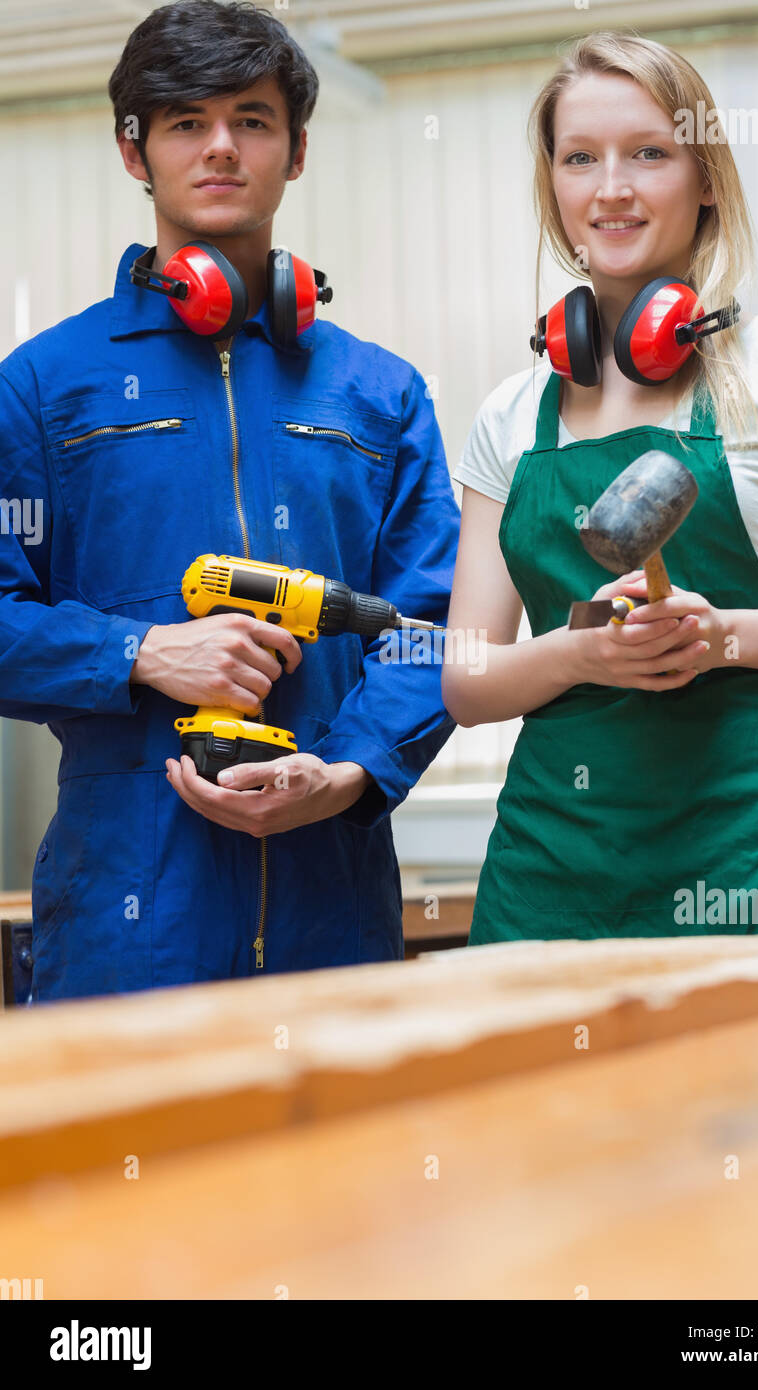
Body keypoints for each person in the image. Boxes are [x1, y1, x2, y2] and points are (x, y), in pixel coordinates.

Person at [0, 0, 459, 1000]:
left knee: (339, 1158)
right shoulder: (43, 384)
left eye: (251, 120)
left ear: (295, 152)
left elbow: (429, 621)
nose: (220, 147)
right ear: (135, 152)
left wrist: (351, 773)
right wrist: (139, 651)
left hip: (332, 898)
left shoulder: (378, 393)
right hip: (127, 912)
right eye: (183, 121)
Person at [444, 30, 758, 942]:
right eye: (580, 159)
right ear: (553, 187)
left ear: (705, 175)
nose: (613, 188)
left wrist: (723, 637)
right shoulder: (510, 415)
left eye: (650, 153)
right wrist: (583, 654)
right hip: (552, 879)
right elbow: (469, 680)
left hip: (752, 864)